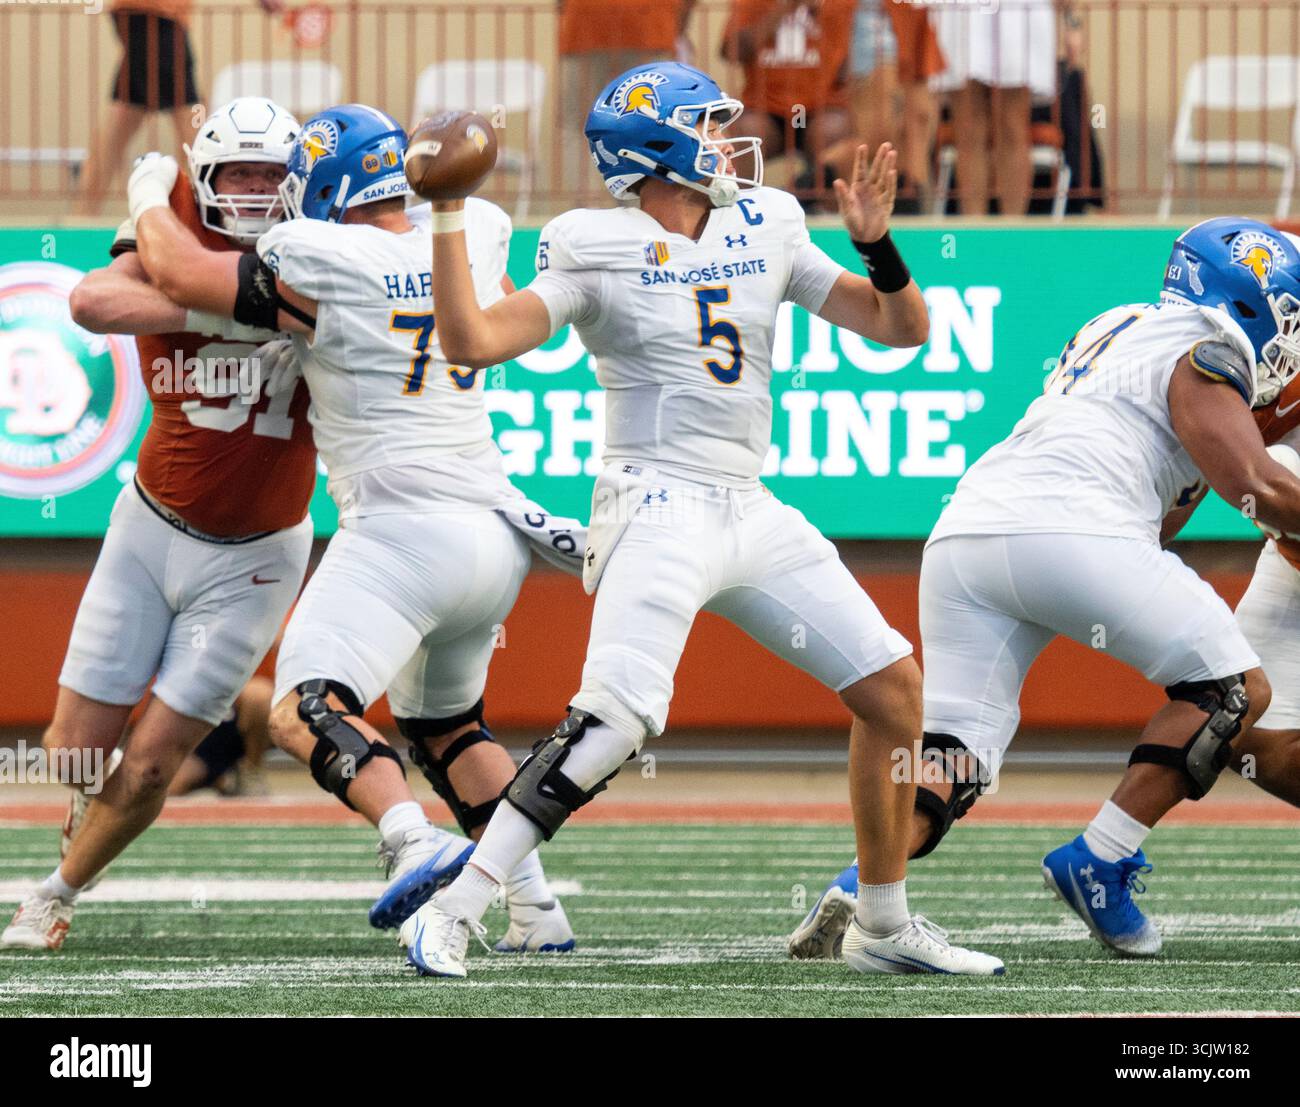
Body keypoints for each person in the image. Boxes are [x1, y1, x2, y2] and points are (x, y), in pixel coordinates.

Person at [401, 60, 1005, 979]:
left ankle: (881, 924)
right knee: (615, 721)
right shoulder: (590, 242)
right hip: (656, 500)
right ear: (657, 146)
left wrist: (880, 247)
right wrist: (447, 216)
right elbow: (472, 342)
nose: (731, 137)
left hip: (747, 502)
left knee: (893, 692)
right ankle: (455, 908)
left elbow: (898, 328)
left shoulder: (770, 222)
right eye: (709, 124)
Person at [119, 104, 587, 953]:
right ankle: (534, 908)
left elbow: (180, 276)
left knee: (305, 706)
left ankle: (410, 835)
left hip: (401, 531)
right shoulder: (473, 226)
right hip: (490, 536)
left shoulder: (316, 254)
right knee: (450, 729)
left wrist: (149, 190)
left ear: (326, 184)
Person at [788, 218, 1300, 961]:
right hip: (1075, 526)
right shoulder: (1209, 345)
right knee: (1233, 689)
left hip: (968, 535)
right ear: (1248, 300)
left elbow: (1168, 510)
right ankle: (1102, 856)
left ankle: (861, 891)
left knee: (954, 756)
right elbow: (1255, 485)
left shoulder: (1118, 324)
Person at [3, 98, 315, 951]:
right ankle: (84, 816)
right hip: (150, 525)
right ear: (203, 179)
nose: (254, 191)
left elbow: (263, 299)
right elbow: (94, 299)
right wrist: (212, 305)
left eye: (270, 175)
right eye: (238, 174)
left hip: (257, 552)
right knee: (70, 753)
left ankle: (53, 896)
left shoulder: (320, 247)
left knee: (148, 761)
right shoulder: (175, 226)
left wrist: (184, 281)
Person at [76, 0, 284, 216]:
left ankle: (81, 215)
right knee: (194, 129)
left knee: (125, 113)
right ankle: (199, 214)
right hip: (158, 16)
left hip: (141, 15)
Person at [556, 0, 697, 204]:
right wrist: (677, 27)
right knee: (651, 122)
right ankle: (643, 203)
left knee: (578, 125)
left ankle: (585, 209)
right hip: (650, 24)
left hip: (585, 22)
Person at [721, 0, 856, 206]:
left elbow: (845, 66)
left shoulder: (838, 4)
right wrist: (785, 7)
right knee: (747, 132)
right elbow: (731, 52)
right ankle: (744, 208)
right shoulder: (750, 3)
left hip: (817, 108)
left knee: (832, 131)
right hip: (766, 109)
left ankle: (830, 213)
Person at [929, 0, 1057, 215]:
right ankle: (975, 231)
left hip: (1014, 10)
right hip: (962, 10)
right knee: (969, 130)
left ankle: (1012, 232)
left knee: (1012, 126)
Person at [825, 0, 945, 212]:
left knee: (918, 118)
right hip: (859, 31)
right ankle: (816, 178)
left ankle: (916, 210)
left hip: (901, 18)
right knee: (881, 134)